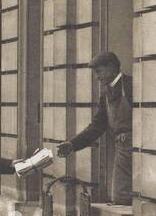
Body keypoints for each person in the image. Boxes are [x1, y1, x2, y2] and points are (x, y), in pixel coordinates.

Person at [56, 51, 133, 205]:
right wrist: (72, 144)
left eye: (99, 72)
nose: (97, 77)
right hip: (123, 150)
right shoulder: (105, 94)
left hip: (139, 149)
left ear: (111, 67)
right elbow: (97, 126)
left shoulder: (131, 85)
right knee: (121, 196)